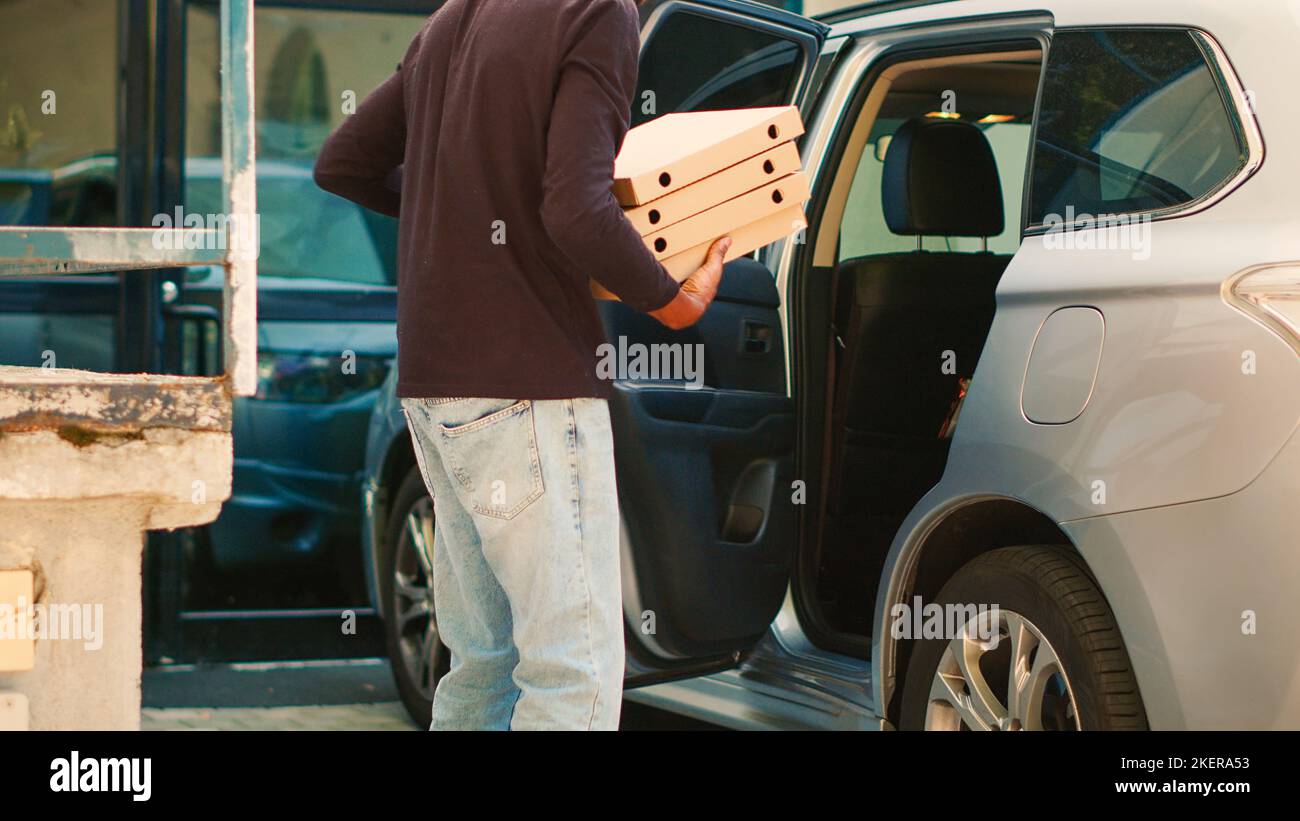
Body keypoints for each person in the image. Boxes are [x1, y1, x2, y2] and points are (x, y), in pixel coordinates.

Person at [313, 0, 730, 730]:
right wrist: (673, 301)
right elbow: (576, 208)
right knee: (572, 674)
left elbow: (343, 162)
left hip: (434, 390)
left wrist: (460, 214)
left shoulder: (451, 20)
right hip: (530, 390)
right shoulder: (598, 12)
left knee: (482, 667)